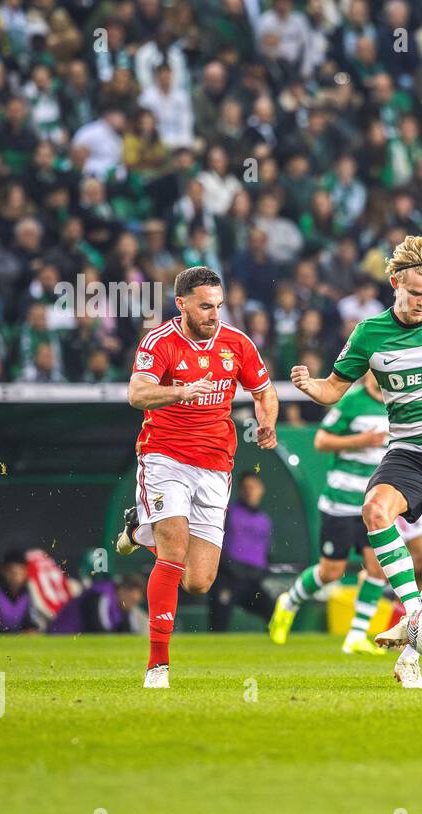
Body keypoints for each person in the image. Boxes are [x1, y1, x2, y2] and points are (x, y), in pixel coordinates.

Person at [289, 235, 422, 689]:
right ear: (395, 283)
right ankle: (415, 614)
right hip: (408, 451)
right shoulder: (370, 333)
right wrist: (310, 387)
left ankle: (410, 655)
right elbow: (333, 388)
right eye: (414, 293)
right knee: (374, 510)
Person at [113, 266, 280, 688]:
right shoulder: (160, 342)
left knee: (199, 581)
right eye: (206, 306)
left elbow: (264, 390)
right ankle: (157, 666)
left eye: (219, 306)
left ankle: (140, 531)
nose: (214, 315)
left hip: (215, 466)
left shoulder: (236, 343)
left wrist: (267, 420)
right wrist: (178, 391)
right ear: (181, 304)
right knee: (173, 553)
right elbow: (136, 393)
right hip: (164, 457)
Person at [268, 372, 422, 652]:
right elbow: (321, 441)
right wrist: (361, 440)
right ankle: (290, 600)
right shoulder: (352, 400)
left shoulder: (398, 402)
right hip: (341, 501)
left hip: (375, 502)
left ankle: (356, 635)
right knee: (331, 571)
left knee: (377, 568)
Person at [208, 472, 275, 631]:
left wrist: (261, 572)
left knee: (273, 610)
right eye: (246, 487)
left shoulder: (265, 521)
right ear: (239, 490)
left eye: (254, 487)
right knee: (219, 622)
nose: (250, 491)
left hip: (252, 581)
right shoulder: (228, 512)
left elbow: (267, 552)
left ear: (262, 490)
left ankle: (276, 650)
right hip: (227, 578)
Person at [50, 573, 148, 634]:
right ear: (122, 590)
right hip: (62, 635)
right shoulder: (101, 596)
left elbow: (129, 633)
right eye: (131, 600)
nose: (132, 605)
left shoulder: (124, 606)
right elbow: (99, 630)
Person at [0, 550, 44, 632]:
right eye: (11, 572)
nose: (15, 577)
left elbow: (32, 622)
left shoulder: (28, 593)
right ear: (3, 571)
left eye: (20, 572)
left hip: (18, 640)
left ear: (25, 573)